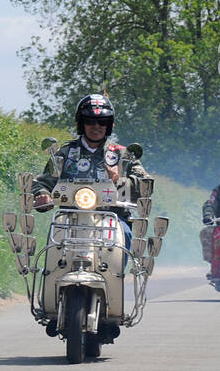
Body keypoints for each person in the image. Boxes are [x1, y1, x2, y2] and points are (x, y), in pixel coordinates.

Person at [30, 93, 148, 268]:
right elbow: (43, 182)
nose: (96, 126)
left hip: (113, 217)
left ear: (109, 125)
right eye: (90, 121)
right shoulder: (64, 153)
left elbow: (146, 184)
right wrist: (42, 195)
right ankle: (52, 281)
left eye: (102, 122)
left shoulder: (123, 155)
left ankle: (115, 279)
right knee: (54, 239)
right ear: (80, 123)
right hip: (70, 217)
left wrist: (120, 179)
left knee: (125, 234)